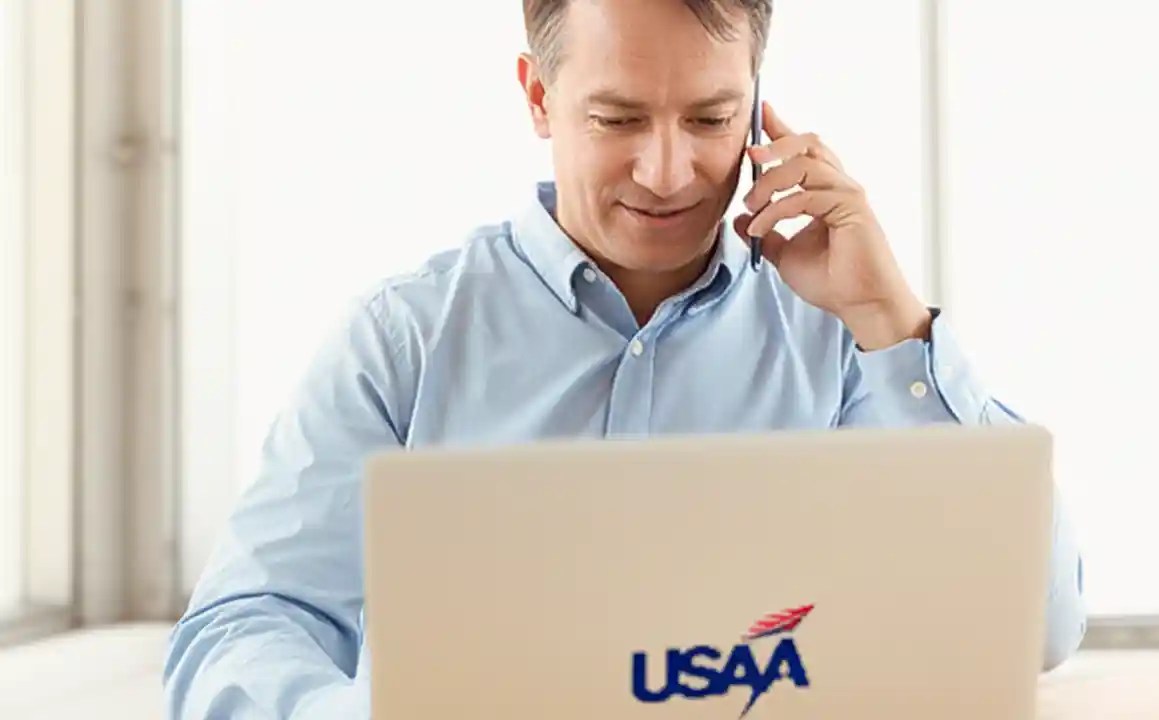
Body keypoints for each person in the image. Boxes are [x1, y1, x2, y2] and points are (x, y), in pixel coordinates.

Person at [162, 0, 1087, 716]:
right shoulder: (404, 339)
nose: (668, 172)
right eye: (618, 120)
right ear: (538, 97)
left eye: (712, 118)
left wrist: (891, 318)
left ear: (761, 111)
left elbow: (1035, 628)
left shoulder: (844, 337)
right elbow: (239, 628)